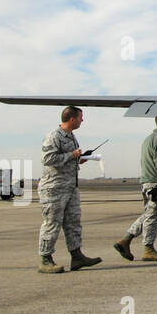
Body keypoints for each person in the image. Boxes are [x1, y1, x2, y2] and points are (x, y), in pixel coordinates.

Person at [37, 106, 101, 273]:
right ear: (71, 118)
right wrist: (71, 155)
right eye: (80, 117)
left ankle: (77, 256)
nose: (82, 120)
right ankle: (45, 259)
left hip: (71, 187)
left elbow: (68, 160)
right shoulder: (54, 136)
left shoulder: (72, 137)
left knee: (73, 222)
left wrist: (80, 159)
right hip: (54, 188)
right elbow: (48, 159)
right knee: (52, 223)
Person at [114, 112, 157, 262]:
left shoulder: (148, 140)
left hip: (147, 182)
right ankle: (148, 249)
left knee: (149, 213)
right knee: (154, 217)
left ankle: (126, 240)